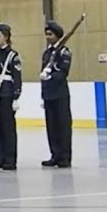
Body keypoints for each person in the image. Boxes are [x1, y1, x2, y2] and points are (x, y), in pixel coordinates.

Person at [0, 23, 21, 171]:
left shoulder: (13, 55)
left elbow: (17, 77)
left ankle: (10, 159)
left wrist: (16, 97)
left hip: (6, 93)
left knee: (8, 128)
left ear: (6, 37)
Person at [40, 21, 73, 168]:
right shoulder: (47, 53)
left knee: (63, 126)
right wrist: (43, 93)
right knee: (51, 127)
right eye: (46, 34)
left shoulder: (64, 52)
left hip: (60, 94)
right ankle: (55, 154)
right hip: (49, 95)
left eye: (50, 34)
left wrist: (50, 76)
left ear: (57, 35)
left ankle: (64, 157)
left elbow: (63, 73)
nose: (48, 37)